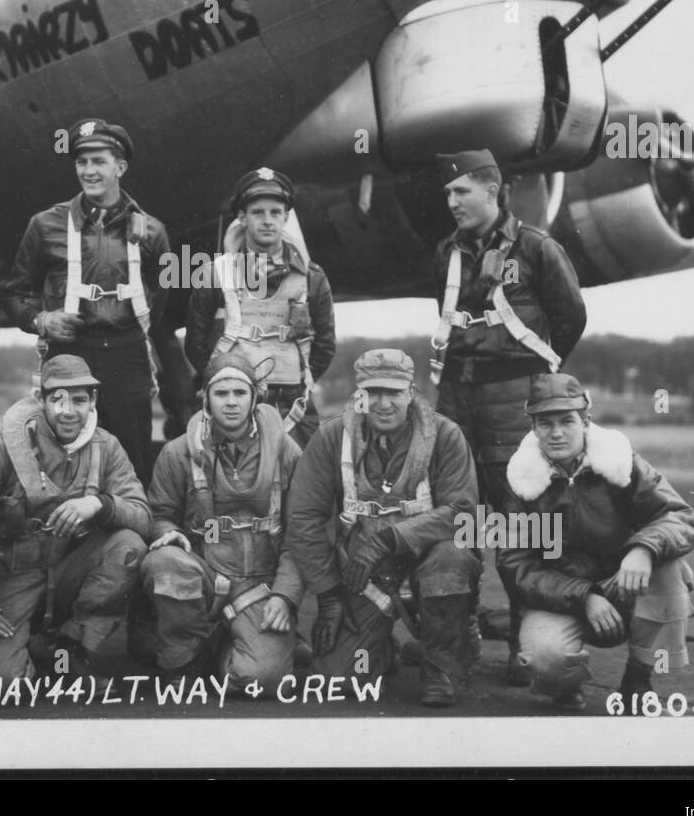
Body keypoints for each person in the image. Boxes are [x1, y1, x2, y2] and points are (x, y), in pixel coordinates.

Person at [428, 148, 587, 683]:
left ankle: (526, 643)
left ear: (492, 190)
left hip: (511, 401)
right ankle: (461, 637)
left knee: (523, 519)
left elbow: (569, 319)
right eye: (447, 193)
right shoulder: (445, 252)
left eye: (460, 192)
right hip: (455, 401)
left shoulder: (538, 249)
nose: (450, 201)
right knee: (458, 519)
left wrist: (528, 377)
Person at [286, 349, 481, 706]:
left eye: (393, 392)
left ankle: (440, 663)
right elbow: (303, 518)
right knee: (337, 680)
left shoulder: (446, 435)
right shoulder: (332, 437)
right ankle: (380, 646)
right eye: (373, 392)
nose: (383, 403)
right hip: (365, 571)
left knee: (451, 559)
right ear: (358, 395)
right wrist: (328, 595)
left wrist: (392, 538)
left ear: (411, 393)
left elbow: (462, 512)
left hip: (428, 559)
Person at [498, 374, 694, 711]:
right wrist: (584, 596)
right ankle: (567, 685)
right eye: (545, 423)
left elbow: (678, 514)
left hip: (625, 583)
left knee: (668, 563)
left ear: (586, 421)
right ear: (533, 427)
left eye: (567, 421)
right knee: (545, 659)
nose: (557, 432)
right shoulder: (522, 480)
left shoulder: (620, 462)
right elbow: (517, 565)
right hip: (563, 597)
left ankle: (638, 678)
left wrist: (643, 549)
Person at [0, 355, 152, 683]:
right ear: (40, 400)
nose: (68, 410)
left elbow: (143, 517)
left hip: (69, 572)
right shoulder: (1, 447)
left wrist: (99, 504)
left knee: (128, 545)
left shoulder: (107, 448)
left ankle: (69, 648)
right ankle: (30, 650)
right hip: (8, 578)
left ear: (93, 401)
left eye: (79, 400)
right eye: (57, 399)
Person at [6, 119, 170, 484]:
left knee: (131, 464)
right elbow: (17, 295)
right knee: (62, 461)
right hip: (68, 354)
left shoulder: (153, 232)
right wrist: (42, 321)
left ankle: (130, 537)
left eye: (99, 161)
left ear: (120, 167)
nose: (89, 171)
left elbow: (160, 299)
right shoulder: (45, 225)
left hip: (127, 357)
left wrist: (128, 322)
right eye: (82, 162)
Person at [141, 351, 304, 692]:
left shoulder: (286, 451)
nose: (231, 403)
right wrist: (168, 533)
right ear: (206, 400)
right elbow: (159, 513)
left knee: (261, 681)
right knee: (165, 563)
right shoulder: (178, 452)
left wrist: (286, 595)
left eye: (240, 393)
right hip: (203, 573)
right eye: (221, 393)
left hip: (261, 584)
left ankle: (225, 644)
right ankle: (184, 658)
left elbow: (305, 531)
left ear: (254, 397)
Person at [185, 167, 335, 447]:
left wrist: (297, 376)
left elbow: (325, 344)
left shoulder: (312, 278)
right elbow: (195, 343)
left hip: (293, 402)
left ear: (286, 217)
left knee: (304, 482)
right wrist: (225, 383)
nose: (268, 221)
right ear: (242, 217)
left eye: (275, 213)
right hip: (233, 399)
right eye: (257, 212)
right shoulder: (214, 274)